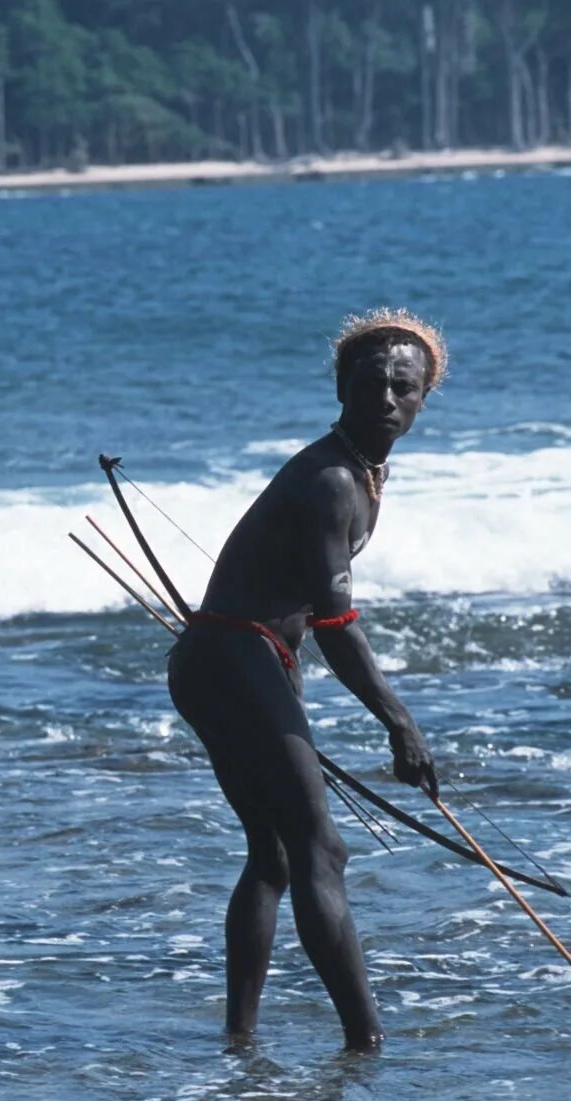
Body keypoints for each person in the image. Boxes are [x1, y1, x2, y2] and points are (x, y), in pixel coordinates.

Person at [166, 308, 447, 1052]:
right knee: (320, 850)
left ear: (424, 398)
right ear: (341, 390)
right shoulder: (330, 480)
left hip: (233, 661)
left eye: (402, 387)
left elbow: (312, 620)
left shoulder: (362, 470)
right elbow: (334, 623)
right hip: (232, 658)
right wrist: (400, 723)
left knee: (278, 854)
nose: (386, 398)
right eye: (369, 384)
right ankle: (367, 1043)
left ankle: (239, 1040)